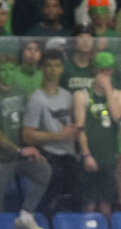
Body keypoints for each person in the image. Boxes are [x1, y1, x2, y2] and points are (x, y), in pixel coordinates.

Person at [0, 56, 52, 229]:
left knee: (43, 170)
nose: (6, 73)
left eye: (10, 69)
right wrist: (19, 150)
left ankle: (26, 215)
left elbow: (28, 122)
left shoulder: (20, 91)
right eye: (2, 69)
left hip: (18, 154)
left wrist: (32, 147)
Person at [22, 48, 81, 215]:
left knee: (73, 204)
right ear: (42, 68)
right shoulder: (36, 99)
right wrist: (58, 136)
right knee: (51, 207)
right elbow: (27, 135)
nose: (53, 70)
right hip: (50, 158)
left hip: (69, 158)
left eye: (57, 65)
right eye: (49, 65)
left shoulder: (68, 96)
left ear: (62, 68)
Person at [75, 51, 121, 216]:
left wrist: (108, 90)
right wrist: (86, 154)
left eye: (109, 71)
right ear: (95, 70)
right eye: (103, 71)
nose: (106, 75)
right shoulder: (81, 95)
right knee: (89, 205)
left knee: (105, 205)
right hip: (91, 155)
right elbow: (79, 128)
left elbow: (116, 116)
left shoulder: (119, 95)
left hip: (109, 156)